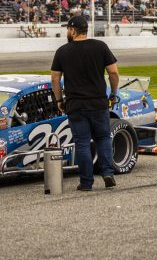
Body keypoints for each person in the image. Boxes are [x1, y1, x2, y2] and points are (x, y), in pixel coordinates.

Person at [51, 15, 120, 191]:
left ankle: (86, 182)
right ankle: (107, 173)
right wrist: (113, 93)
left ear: (73, 30)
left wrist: (59, 100)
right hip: (98, 103)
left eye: (68, 29)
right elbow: (113, 73)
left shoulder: (62, 51)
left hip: (76, 105)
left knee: (82, 143)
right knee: (103, 138)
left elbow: (55, 78)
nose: (67, 32)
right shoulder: (100, 46)